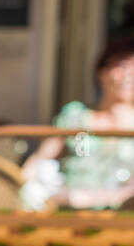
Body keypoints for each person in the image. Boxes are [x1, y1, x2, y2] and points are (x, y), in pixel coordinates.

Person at [24, 37, 134, 209]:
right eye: (120, 66)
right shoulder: (76, 116)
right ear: (101, 72)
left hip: (125, 216)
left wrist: (117, 197)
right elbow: (39, 162)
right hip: (73, 213)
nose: (128, 74)